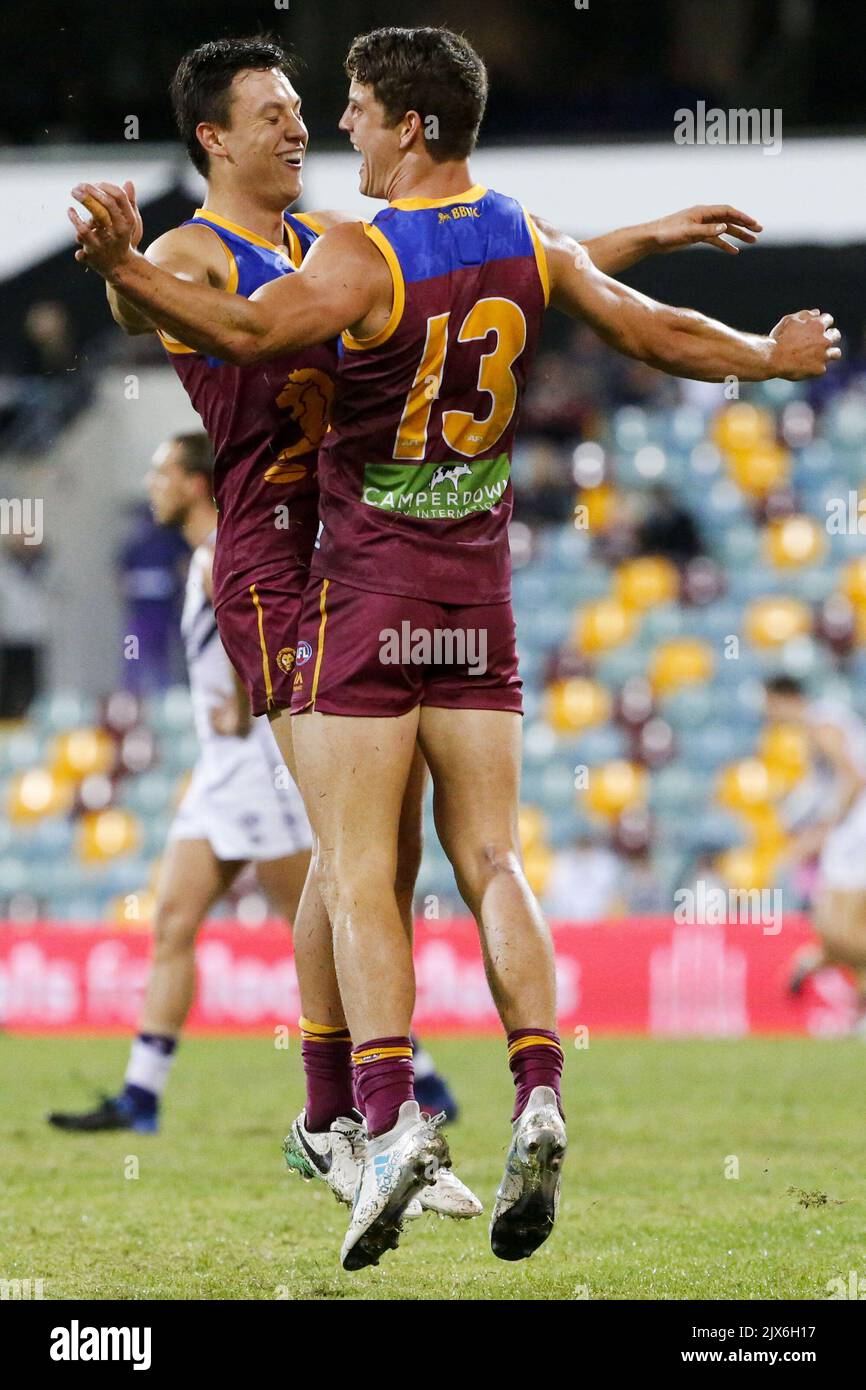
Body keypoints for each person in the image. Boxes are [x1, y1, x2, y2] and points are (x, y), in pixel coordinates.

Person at [67, 26, 839, 1271]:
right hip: (289, 565)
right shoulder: (194, 249)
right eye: (275, 110)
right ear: (210, 136)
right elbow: (191, 309)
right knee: (385, 852)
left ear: (404, 126)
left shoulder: (331, 242)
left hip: (362, 563)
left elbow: (491, 264)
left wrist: (636, 236)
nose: (308, 123)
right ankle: (375, 1115)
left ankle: (340, 1112)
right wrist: (115, 266)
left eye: (325, 106)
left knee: (361, 852)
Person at [48, 432, 312, 1134]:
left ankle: (413, 1076)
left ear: (196, 483)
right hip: (221, 772)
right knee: (172, 922)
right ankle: (141, 1095)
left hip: (257, 770)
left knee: (314, 928)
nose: (152, 484)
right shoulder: (206, 555)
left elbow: (252, 625)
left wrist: (238, 691)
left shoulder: (225, 551)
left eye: (162, 471)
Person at [765, 676, 866, 1024]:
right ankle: (859, 1015)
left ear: (783, 698)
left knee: (833, 929)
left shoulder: (821, 723)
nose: (769, 715)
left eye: (769, 705)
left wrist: (829, 827)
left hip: (855, 832)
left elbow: (852, 776)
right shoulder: (828, 720)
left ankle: (816, 959)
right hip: (852, 829)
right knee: (849, 930)